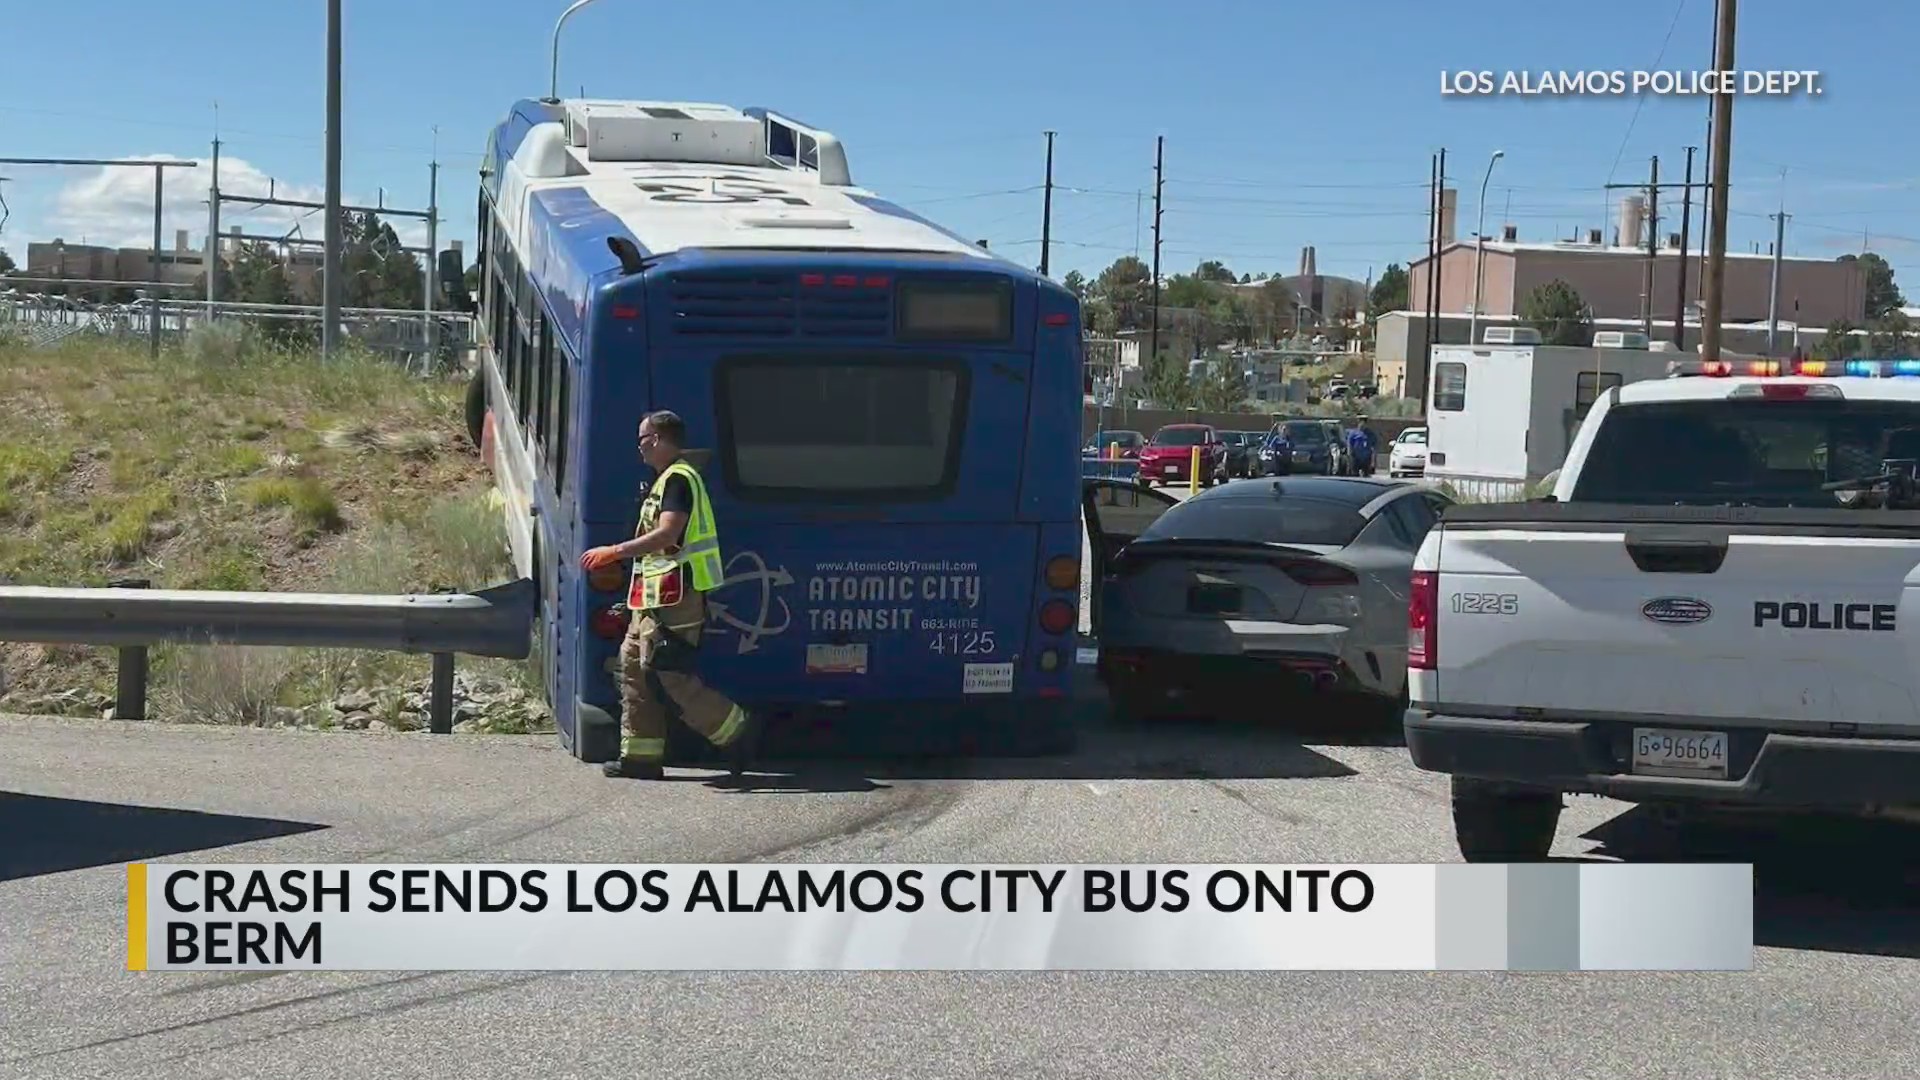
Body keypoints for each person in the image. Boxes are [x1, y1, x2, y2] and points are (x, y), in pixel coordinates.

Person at [580, 410, 758, 780]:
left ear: (659, 440)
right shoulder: (663, 481)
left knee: (668, 673)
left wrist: (614, 551)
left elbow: (666, 535)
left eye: (643, 441)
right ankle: (640, 758)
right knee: (632, 671)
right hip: (650, 600)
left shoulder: (679, 480)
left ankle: (739, 732)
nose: (640, 449)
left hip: (677, 598)